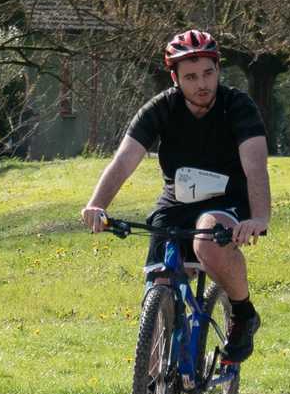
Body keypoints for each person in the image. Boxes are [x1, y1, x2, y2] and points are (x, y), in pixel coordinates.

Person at [80, 29, 271, 362]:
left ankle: (243, 313)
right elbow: (124, 160)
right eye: (191, 77)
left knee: (208, 238)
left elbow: (255, 165)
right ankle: (150, 389)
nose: (202, 84)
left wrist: (258, 218)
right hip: (176, 202)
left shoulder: (238, 106)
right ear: (175, 78)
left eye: (209, 73)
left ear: (218, 70)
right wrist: (97, 204)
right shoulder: (161, 108)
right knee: (157, 286)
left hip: (227, 200)